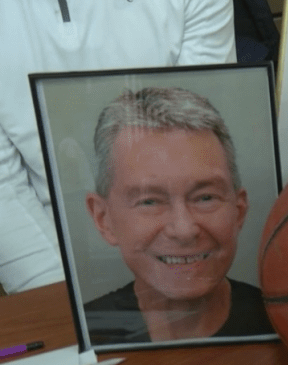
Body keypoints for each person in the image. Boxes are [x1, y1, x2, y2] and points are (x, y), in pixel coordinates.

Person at [0, 0, 236, 294]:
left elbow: (197, 146)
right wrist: (75, 309)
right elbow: (5, 190)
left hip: (185, 250)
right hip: (52, 263)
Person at [83, 87, 273, 344]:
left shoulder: (281, 321)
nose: (184, 230)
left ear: (238, 211)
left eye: (205, 198)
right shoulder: (86, 334)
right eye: (149, 201)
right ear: (103, 219)